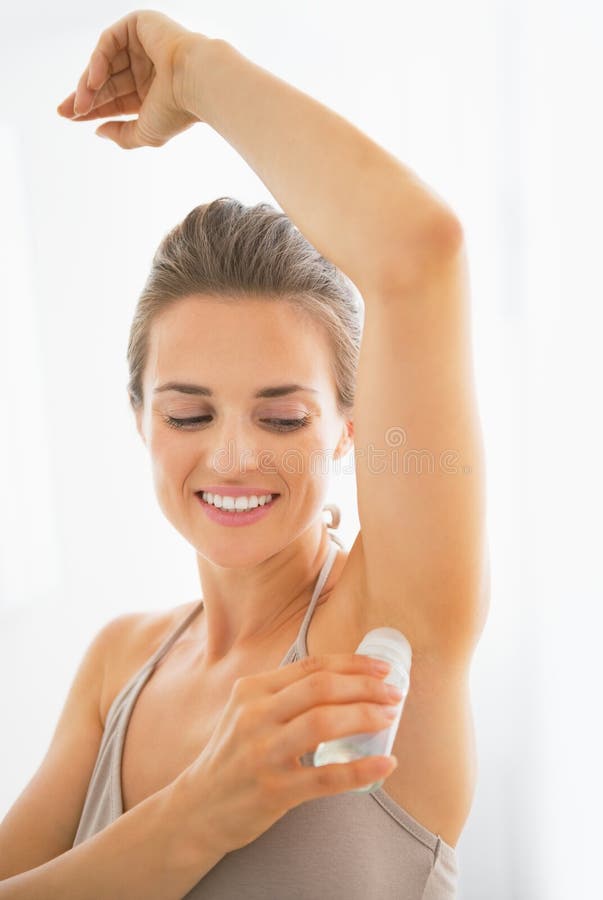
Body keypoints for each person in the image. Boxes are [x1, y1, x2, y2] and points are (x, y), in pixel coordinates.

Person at [0, 9, 488, 898]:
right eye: (188, 415)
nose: (231, 457)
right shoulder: (120, 665)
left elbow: (421, 248)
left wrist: (194, 70)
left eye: (282, 418)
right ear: (139, 417)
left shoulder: (389, 627)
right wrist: (199, 814)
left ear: (349, 424)